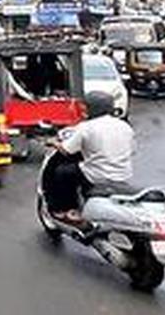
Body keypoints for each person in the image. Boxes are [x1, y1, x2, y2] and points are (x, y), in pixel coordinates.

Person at [43, 91, 134, 225]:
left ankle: (66, 210)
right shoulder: (125, 126)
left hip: (96, 175)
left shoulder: (86, 127)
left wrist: (53, 142)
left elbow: (66, 150)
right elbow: (132, 150)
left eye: (86, 107)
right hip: (123, 175)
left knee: (62, 173)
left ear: (93, 108)